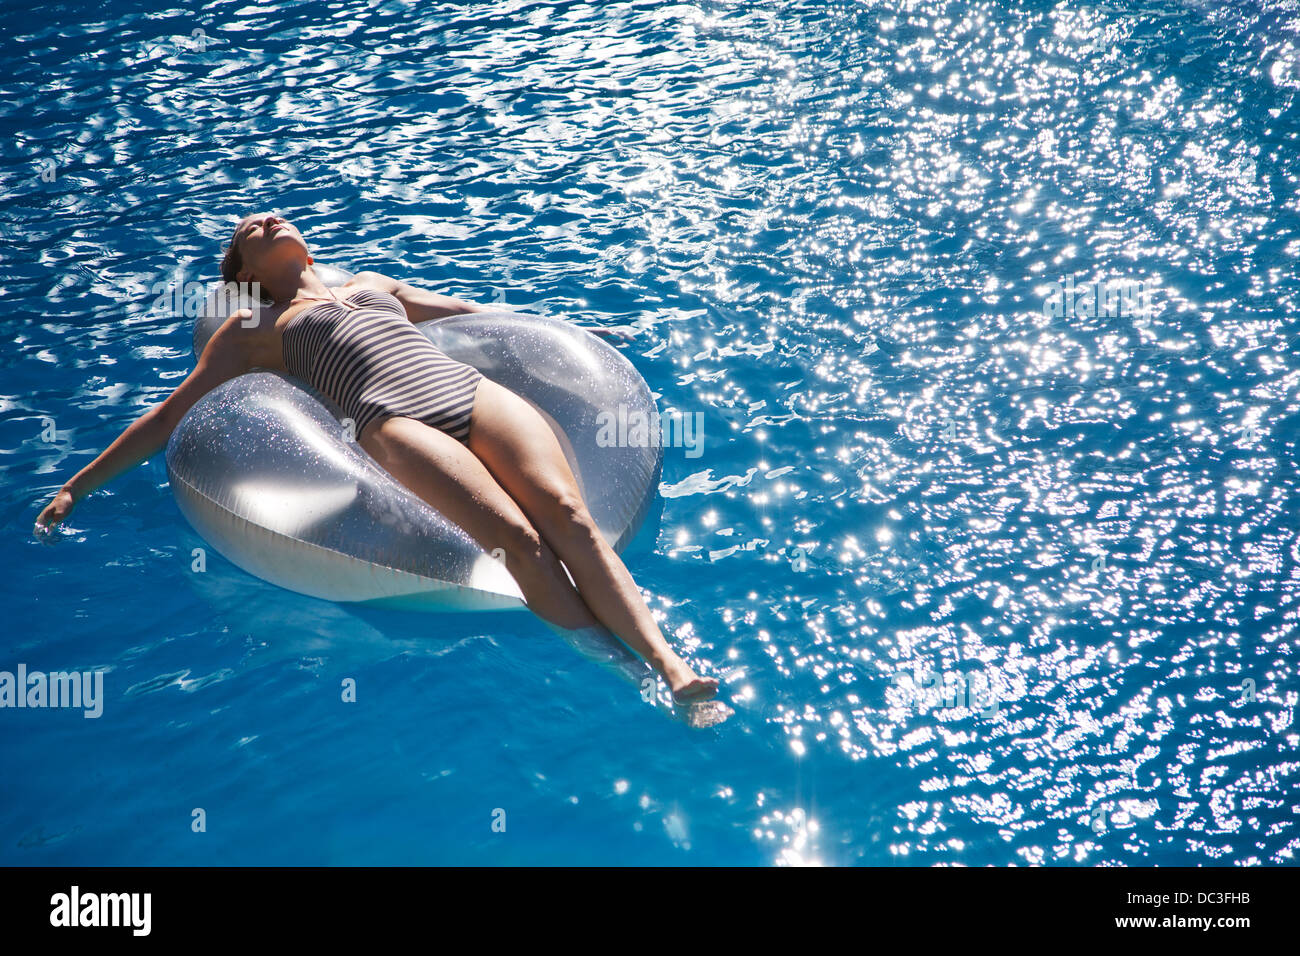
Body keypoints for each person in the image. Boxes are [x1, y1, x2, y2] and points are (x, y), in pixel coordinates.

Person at [35, 213, 723, 713]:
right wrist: (76, 486)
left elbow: (474, 317)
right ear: (244, 274)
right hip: (393, 423)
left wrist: (583, 333)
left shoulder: (372, 284)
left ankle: (670, 665)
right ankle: (624, 673)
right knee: (517, 545)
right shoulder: (253, 334)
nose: (267, 218)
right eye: (250, 229)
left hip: (470, 394)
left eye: (271, 215)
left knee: (569, 515)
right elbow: (167, 414)